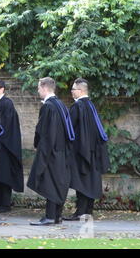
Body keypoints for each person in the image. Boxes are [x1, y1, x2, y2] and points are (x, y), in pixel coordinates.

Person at [27, 77, 74, 226]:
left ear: (45, 87)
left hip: (51, 152)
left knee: (50, 184)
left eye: (38, 88)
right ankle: (57, 216)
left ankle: (50, 217)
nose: (38, 90)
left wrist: (42, 152)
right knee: (57, 184)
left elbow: (45, 132)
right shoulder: (61, 105)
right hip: (61, 151)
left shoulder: (48, 107)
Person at [63, 78, 110, 220]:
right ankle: (87, 211)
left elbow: (69, 128)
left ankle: (80, 212)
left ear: (81, 91)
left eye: (73, 89)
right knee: (89, 181)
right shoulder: (91, 105)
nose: (71, 92)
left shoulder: (78, 107)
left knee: (82, 182)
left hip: (81, 152)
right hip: (93, 151)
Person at [0, 79, 24, 213]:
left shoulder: (6, 103)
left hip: (5, 145)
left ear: (2, 89)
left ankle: (4, 204)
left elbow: (6, 125)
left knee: (4, 175)